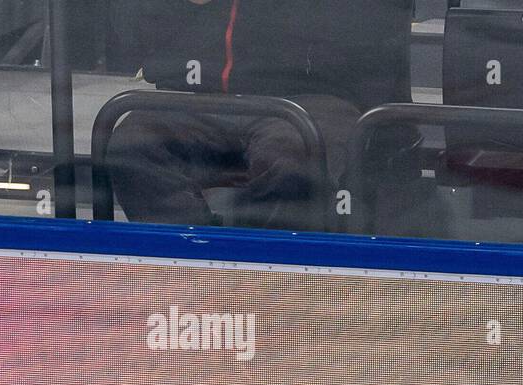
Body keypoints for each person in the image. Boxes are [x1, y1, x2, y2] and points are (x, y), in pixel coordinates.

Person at [107, 0, 410, 231]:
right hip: (209, 95)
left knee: (294, 153)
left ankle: (267, 276)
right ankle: (194, 263)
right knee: (133, 143)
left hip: (317, 92)